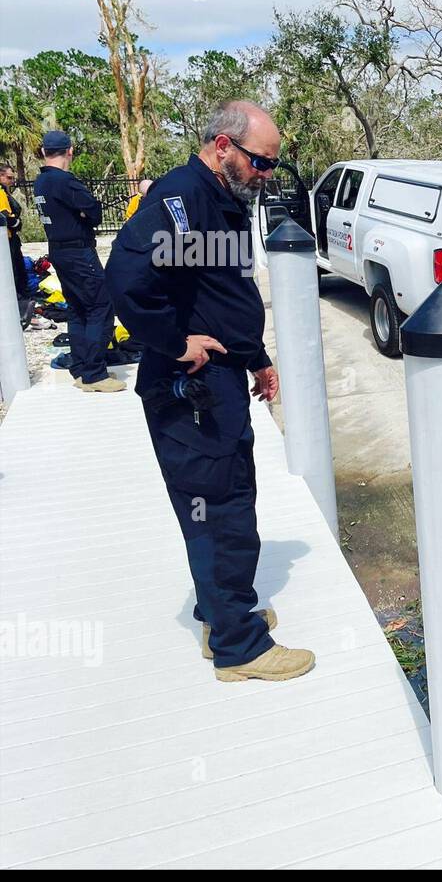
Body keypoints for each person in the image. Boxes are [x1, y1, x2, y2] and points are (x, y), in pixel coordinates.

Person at [106, 100, 315, 683]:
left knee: (221, 500)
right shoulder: (183, 197)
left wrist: (258, 358)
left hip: (220, 381)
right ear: (224, 145)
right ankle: (239, 648)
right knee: (220, 508)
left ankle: (221, 613)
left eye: (272, 165)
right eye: (260, 162)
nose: (266, 174)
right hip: (191, 389)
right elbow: (127, 279)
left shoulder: (220, 201)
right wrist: (175, 344)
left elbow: (219, 294)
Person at [32, 130, 122, 391]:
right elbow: (94, 212)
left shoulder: (41, 181)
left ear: (43, 152)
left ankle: (82, 369)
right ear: (69, 151)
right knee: (100, 307)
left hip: (59, 251)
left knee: (78, 309)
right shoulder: (64, 181)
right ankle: (95, 374)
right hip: (79, 252)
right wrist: (84, 214)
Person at [1, 162, 31, 322]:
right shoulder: (0, 192)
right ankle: (19, 304)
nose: (12, 181)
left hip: (11, 238)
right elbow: (5, 215)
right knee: (14, 271)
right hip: (7, 238)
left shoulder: (4, 192)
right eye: (9, 177)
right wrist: (16, 223)